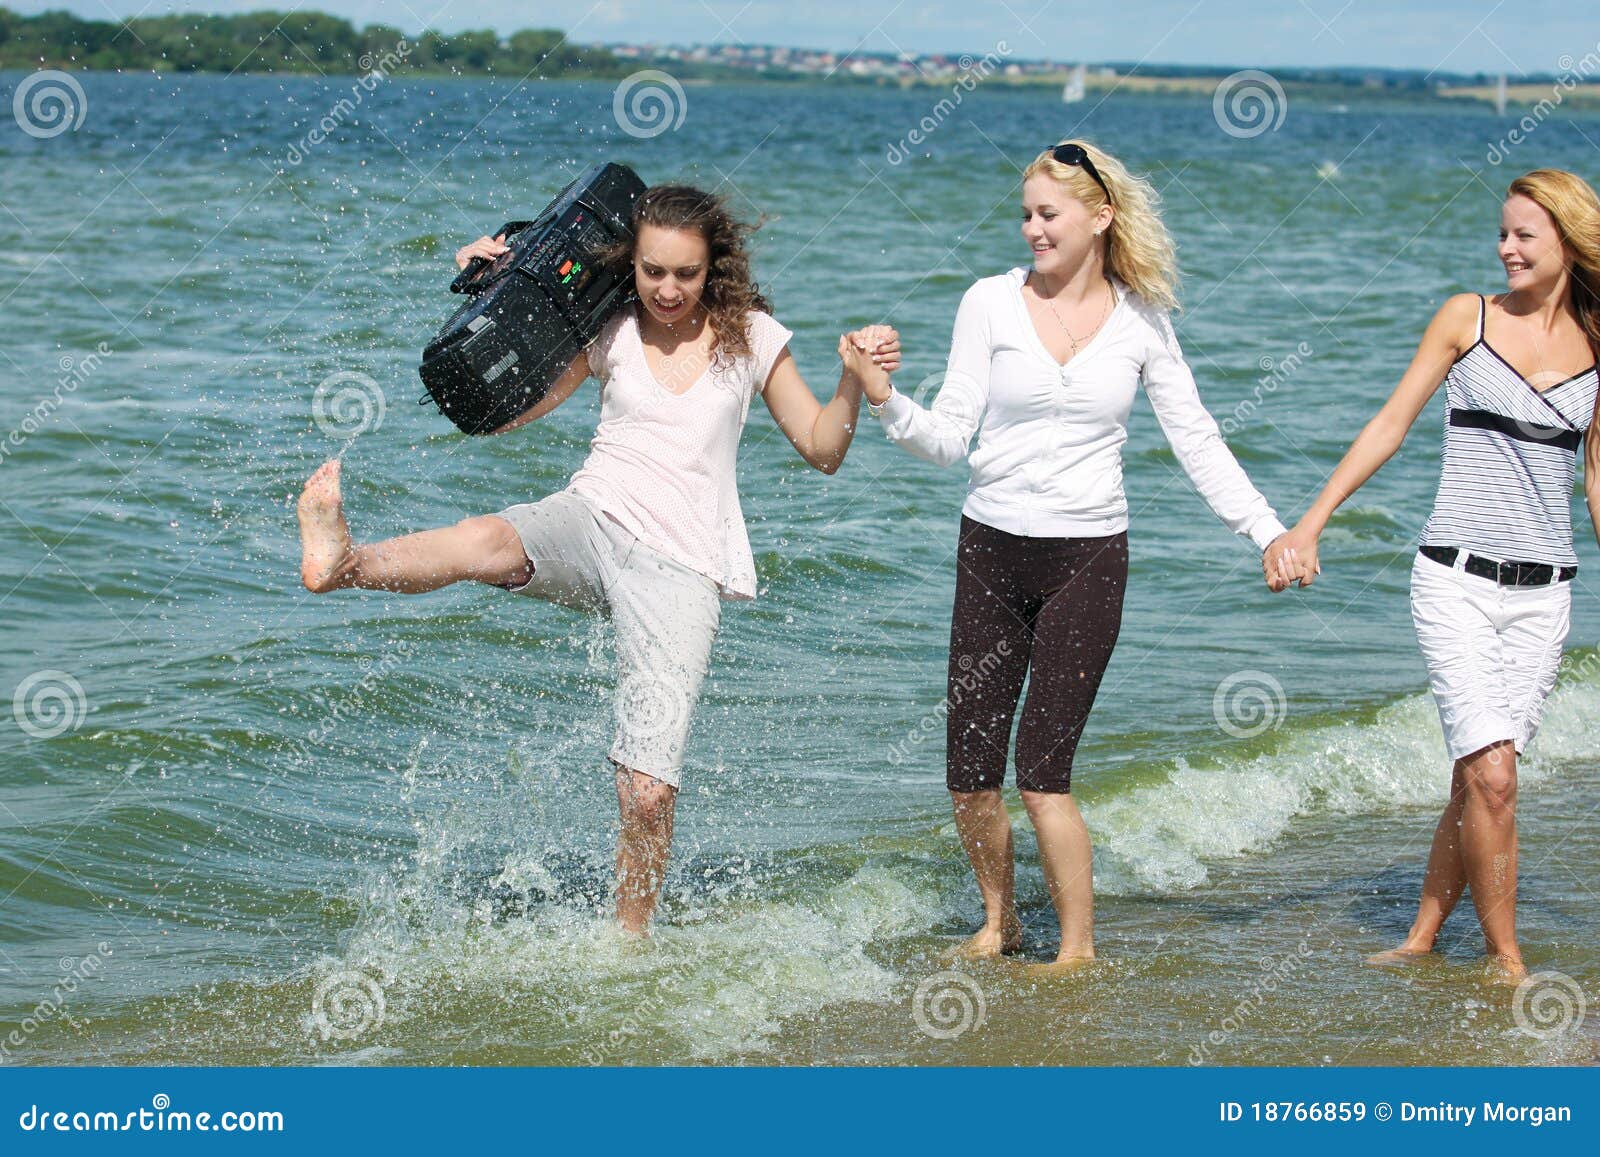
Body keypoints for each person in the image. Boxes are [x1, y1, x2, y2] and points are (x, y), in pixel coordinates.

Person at [295, 184, 899, 935]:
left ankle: (628, 942)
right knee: (485, 540)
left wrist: (853, 376)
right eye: (652, 272)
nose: (668, 290)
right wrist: (495, 290)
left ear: (715, 268)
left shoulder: (752, 336)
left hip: (681, 566)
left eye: (685, 273)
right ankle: (344, 562)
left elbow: (823, 447)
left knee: (647, 790)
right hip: (591, 519)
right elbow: (500, 411)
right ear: (631, 264)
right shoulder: (607, 328)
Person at [860, 141, 1293, 972]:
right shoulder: (988, 302)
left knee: (1043, 771)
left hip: (1087, 557)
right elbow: (951, 436)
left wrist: (1265, 530)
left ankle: (1078, 952)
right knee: (969, 770)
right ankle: (1000, 921)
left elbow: (1198, 441)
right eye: (1024, 214)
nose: (1031, 228)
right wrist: (885, 401)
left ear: (1099, 218)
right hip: (990, 549)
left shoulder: (1142, 323)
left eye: (1047, 214)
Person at [1267, 169, 1600, 981]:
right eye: (1502, 232)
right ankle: (1507, 959)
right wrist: (1310, 523)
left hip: (1544, 592)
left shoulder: (1599, 346)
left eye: (1525, 234)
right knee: (1495, 774)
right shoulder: (1468, 318)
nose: (1506, 248)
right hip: (1453, 579)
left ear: (1567, 239)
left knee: (1479, 781)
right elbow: (1389, 423)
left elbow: (1597, 481)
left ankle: (1421, 933)